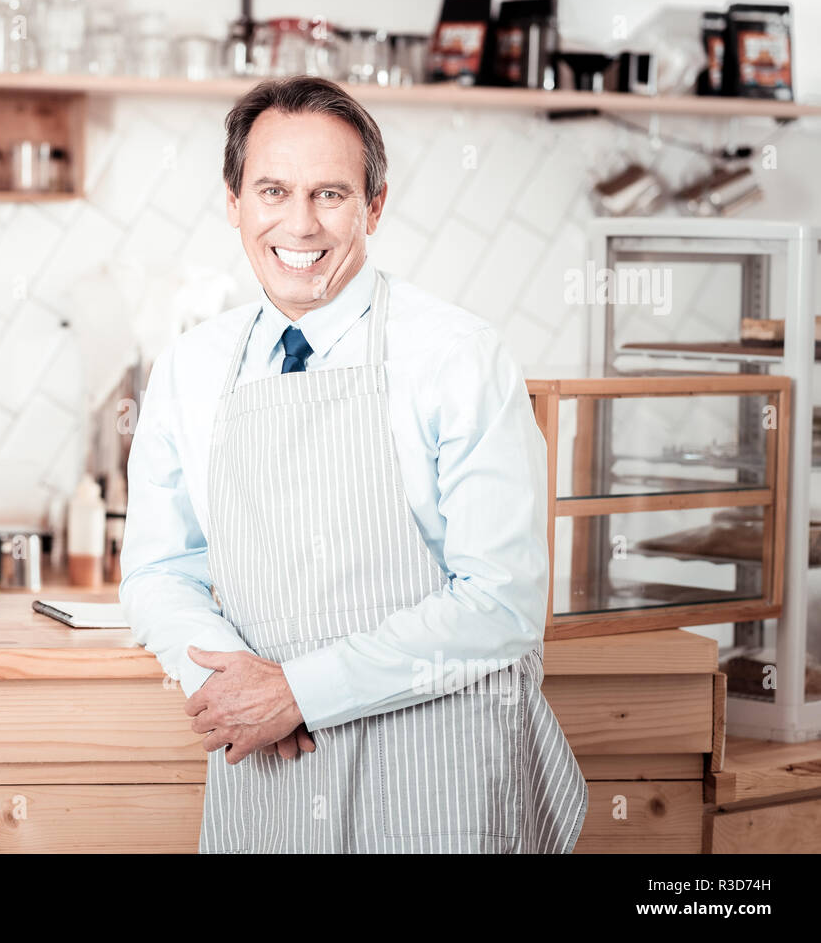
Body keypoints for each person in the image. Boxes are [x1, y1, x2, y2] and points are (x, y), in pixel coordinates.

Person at [119, 77, 588, 853]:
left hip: (442, 766)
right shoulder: (189, 367)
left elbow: (503, 601)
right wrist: (230, 682)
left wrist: (297, 691)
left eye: (329, 193)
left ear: (373, 206)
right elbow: (158, 569)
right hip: (269, 764)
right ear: (233, 201)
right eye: (272, 189)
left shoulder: (457, 356)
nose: (299, 223)